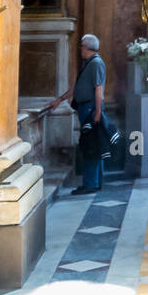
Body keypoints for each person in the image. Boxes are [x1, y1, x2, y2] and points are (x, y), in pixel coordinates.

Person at [49, 34, 116, 195]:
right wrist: (60, 100)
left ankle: (90, 184)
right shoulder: (89, 63)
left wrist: (98, 112)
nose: (80, 49)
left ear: (86, 47)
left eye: (81, 46)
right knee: (94, 146)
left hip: (90, 109)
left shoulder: (96, 63)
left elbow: (99, 89)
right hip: (86, 108)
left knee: (91, 147)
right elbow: (76, 87)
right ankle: (94, 183)